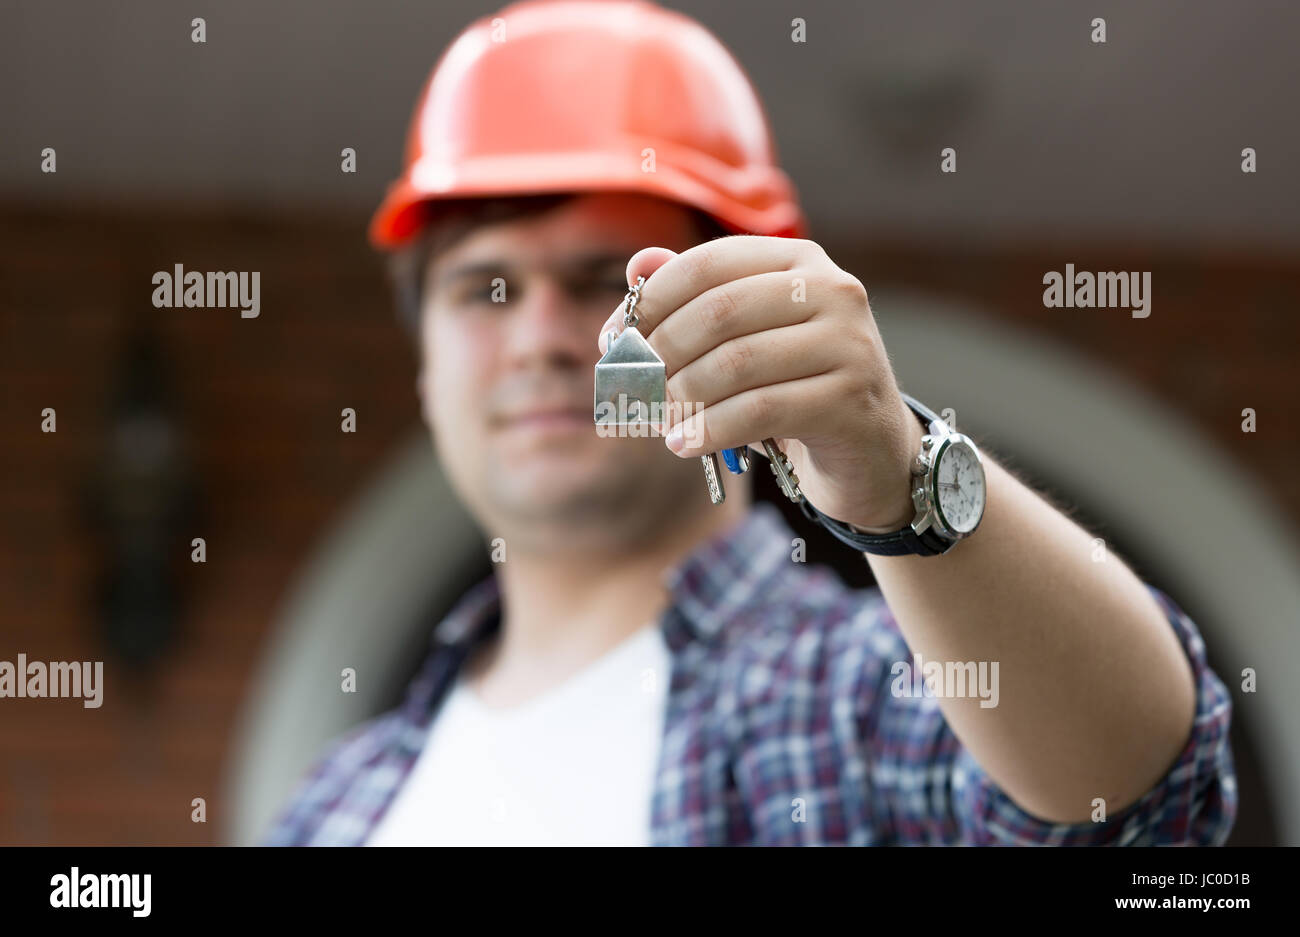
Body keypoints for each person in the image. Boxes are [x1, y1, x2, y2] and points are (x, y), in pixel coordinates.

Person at [264, 0, 1235, 846]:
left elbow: (1139, 796)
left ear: (752, 314)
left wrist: (901, 479)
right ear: (427, 369)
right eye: (484, 288)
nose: (539, 339)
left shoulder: (848, 695)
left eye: (607, 280)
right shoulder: (336, 798)